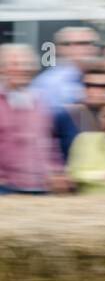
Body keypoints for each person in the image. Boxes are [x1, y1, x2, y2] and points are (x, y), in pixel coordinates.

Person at [0, 44, 72, 194]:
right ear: (2, 69)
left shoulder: (40, 101)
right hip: (5, 188)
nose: (23, 69)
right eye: (15, 64)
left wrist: (57, 171)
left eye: (27, 64)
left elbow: (50, 142)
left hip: (39, 187)